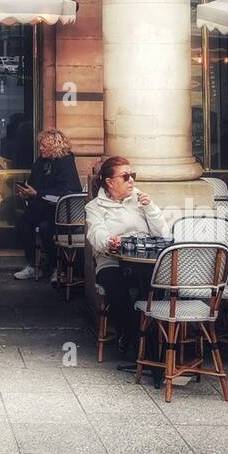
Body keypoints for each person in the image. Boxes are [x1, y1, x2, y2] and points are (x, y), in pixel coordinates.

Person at [85, 156, 170, 373]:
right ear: (110, 182)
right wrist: (109, 241)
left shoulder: (140, 199)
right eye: (125, 176)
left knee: (155, 287)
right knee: (118, 291)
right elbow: (96, 233)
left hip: (143, 259)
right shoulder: (95, 206)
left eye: (133, 175)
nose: (131, 180)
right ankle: (135, 339)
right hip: (112, 260)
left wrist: (150, 207)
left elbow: (163, 233)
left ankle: (156, 343)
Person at [13, 129, 83, 281]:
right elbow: (33, 183)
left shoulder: (65, 162)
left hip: (58, 211)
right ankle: (32, 264)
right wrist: (26, 191)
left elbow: (67, 190)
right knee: (22, 226)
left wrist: (37, 193)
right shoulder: (40, 161)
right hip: (40, 207)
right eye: (40, 145)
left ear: (54, 146)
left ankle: (55, 268)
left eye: (44, 146)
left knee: (46, 229)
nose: (40, 148)